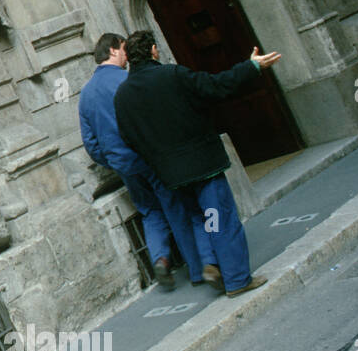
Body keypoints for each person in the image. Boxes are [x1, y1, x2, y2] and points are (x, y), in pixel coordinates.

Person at [113, 30, 282, 297]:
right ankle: (237, 280)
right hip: (203, 166)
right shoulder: (172, 75)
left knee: (198, 218)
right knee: (220, 220)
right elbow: (217, 86)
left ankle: (210, 264)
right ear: (154, 50)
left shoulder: (122, 96)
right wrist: (251, 67)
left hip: (170, 174)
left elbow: (128, 138)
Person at [79, 33, 217, 291]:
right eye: (124, 50)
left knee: (149, 211)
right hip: (149, 157)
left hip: (122, 165)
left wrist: (112, 160)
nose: (128, 56)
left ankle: (160, 259)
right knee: (178, 208)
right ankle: (200, 268)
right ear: (113, 51)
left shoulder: (85, 95)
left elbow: (90, 143)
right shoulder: (128, 80)